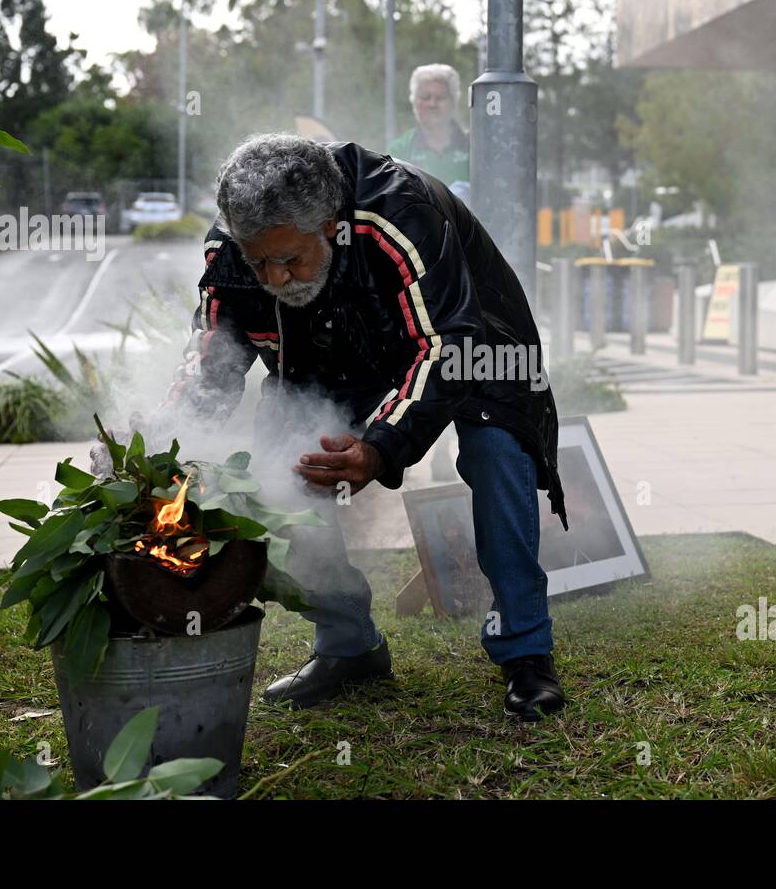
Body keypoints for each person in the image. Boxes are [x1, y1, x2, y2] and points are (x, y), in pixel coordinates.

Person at [164, 134, 569, 721]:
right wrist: (160, 444)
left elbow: (447, 346)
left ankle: (526, 653)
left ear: (330, 225)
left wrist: (381, 446)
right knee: (287, 467)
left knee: (496, 453)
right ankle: (347, 645)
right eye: (260, 263)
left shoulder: (398, 213)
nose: (274, 279)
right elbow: (212, 363)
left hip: (473, 339)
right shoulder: (230, 247)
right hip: (333, 349)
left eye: (289, 260)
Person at [387, 63, 471, 480]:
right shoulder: (400, 147)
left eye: (440, 96)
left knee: (462, 354)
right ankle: (428, 441)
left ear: (454, 102)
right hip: (418, 268)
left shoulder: (473, 147)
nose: (432, 103)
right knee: (426, 357)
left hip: (466, 265)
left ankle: (458, 446)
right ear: (414, 102)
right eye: (425, 96)